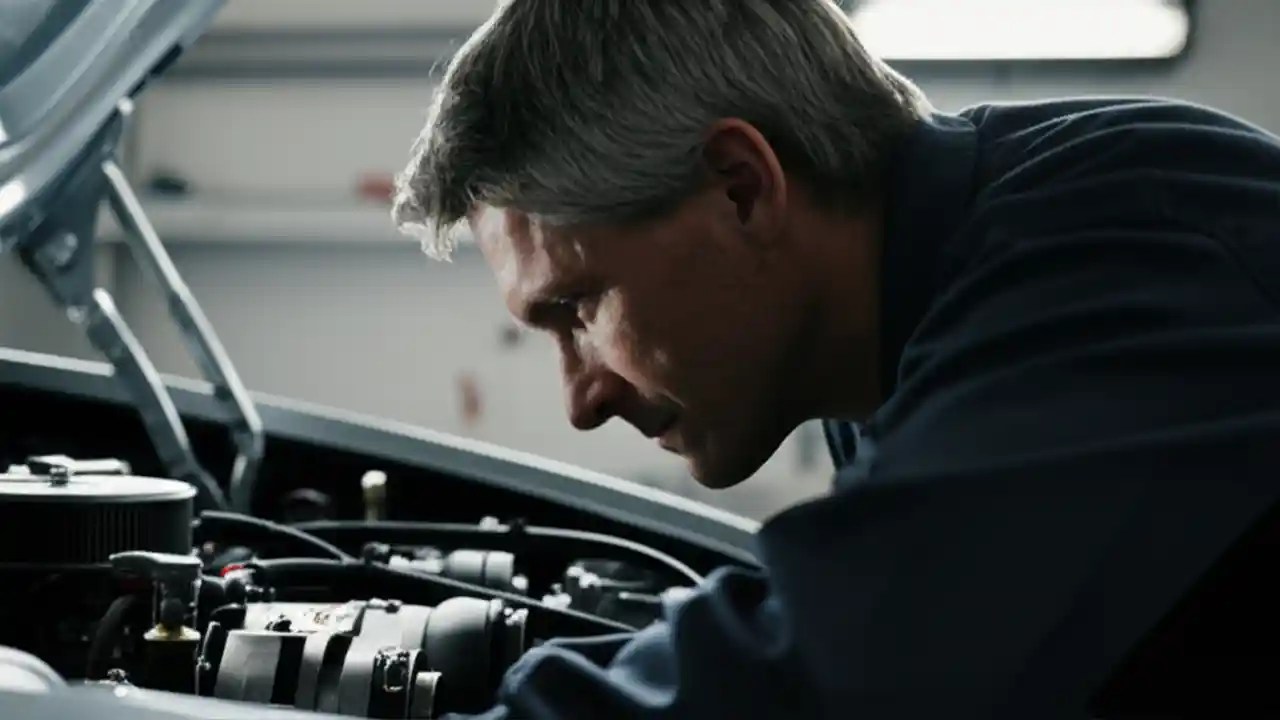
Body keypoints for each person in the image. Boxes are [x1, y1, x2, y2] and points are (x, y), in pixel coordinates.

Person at [391, 1, 1280, 717]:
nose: (581, 400)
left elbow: (845, 671)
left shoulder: (1117, 250)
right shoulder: (903, 330)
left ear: (741, 188)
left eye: (580, 308)